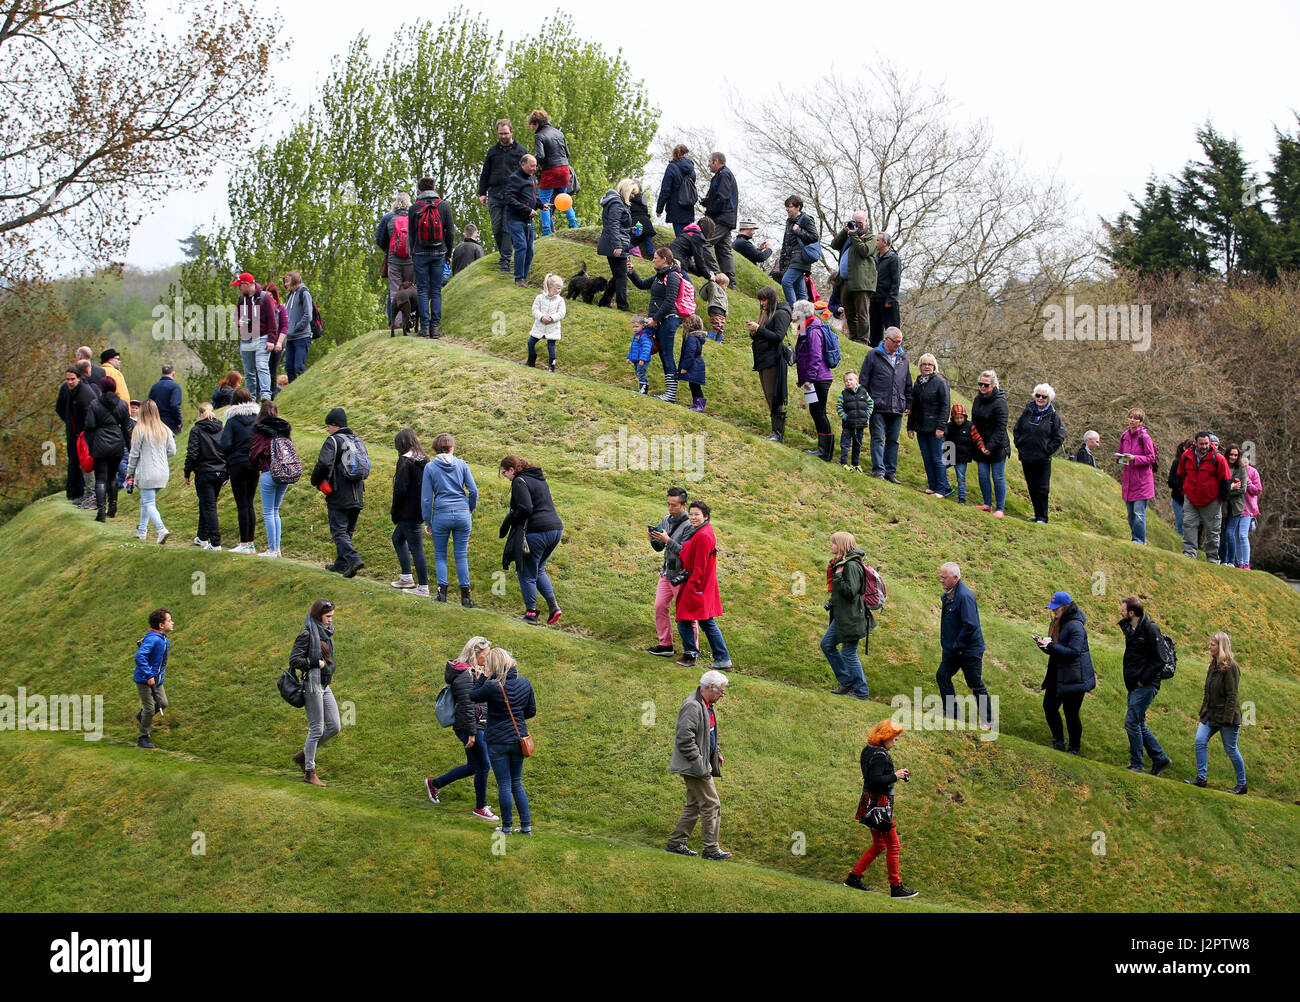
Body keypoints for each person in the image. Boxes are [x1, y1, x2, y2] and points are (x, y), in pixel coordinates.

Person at [843, 719, 918, 898]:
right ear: (885, 737)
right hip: (879, 807)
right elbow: (875, 780)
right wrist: (895, 775)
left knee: (880, 844)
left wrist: (895, 775)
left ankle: (854, 877)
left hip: (870, 803)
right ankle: (896, 887)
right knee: (894, 846)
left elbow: (872, 777)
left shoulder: (869, 750)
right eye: (894, 737)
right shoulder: (880, 755)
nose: (896, 741)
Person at [426, 636, 499, 820]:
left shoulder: (473, 671)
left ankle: (435, 784)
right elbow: (467, 706)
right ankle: (480, 807)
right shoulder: (465, 675)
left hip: (474, 724)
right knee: (483, 765)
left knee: (474, 766)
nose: (488, 657)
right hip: (469, 727)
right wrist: (472, 734)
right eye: (485, 654)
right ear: (475, 654)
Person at [469, 648, 537, 835]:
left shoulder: (492, 686)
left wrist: (484, 677)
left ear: (494, 666)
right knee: (517, 782)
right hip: (518, 738)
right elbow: (531, 711)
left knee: (505, 784)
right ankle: (526, 826)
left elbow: (473, 696)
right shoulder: (525, 683)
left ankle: (506, 827)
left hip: (497, 741)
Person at [666, 669, 731, 860]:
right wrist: (697, 761)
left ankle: (676, 843)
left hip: (699, 763)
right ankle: (711, 849)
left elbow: (708, 732)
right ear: (711, 687)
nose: (722, 695)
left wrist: (715, 752)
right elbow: (685, 738)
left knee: (694, 805)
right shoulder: (693, 706)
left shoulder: (706, 704)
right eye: (721, 691)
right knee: (712, 804)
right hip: (695, 766)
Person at [499, 455, 563, 625]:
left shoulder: (519, 481)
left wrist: (510, 518)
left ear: (512, 469)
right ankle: (554, 608)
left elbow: (526, 508)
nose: (505, 476)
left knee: (526, 574)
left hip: (537, 532)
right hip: (555, 529)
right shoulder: (538, 478)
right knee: (539, 570)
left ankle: (531, 615)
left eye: (505, 472)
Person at [1033, 592, 1096, 754]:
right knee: (1049, 707)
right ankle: (1058, 741)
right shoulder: (1056, 622)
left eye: (1056, 609)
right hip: (1057, 673)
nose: (1053, 612)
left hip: (1074, 676)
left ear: (1065, 607)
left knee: (1071, 714)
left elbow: (1074, 652)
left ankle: (1074, 748)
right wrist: (1045, 646)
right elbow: (1056, 649)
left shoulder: (1075, 626)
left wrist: (1052, 647)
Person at [289, 599, 341, 787]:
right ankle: (309, 772)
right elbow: (294, 659)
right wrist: (314, 663)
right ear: (318, 615)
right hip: (312, 684)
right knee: (316, 729)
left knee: (335, 725)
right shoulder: (307, 633)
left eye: (332, 617)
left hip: (324, 684)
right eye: (328, 617)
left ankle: (304, 754)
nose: (330, 620)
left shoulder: (325, 632)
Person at [421, 432, 478, 606]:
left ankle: (442, 594)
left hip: (441, 513)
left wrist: (427, 521)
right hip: (462, 512)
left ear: (436, 448)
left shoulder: (430, 467)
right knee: (461, 555)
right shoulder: (462, 464)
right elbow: (474, 491)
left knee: (440, 555)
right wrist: (470, 508)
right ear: (452, 447)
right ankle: (466, 597)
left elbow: (426, 498)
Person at [1187, 632, 1248, 794]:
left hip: (1227, 717)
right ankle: (1201, 778)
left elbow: (1232, 695)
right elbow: (1207, 691)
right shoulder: (1213, 664)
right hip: (1210, 714)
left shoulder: (1231, 667)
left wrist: (1227, 721)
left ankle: (1242, 784)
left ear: (1221, 646)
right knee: (1200, 741)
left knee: (1230, 749)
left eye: (1212, 644)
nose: (1209, 647)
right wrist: (1203, 712)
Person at [310, 407, 367, 577]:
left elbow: (323, 464)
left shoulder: (333, 441)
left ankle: (353, 559)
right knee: (347, 531)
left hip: (340, 493)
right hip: (358, 492)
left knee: (339, 531)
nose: (327, 429)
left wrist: (315, 481)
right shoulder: (356, 440)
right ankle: (342, 565)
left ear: (336, 425)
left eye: (328, 425)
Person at [674, 501, 732, 670]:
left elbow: (699, 567)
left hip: (698, 585)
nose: (693, 517)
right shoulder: (702, 531)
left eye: (697, 514)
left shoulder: (703, 535)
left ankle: (691, 654)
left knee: (685, 619)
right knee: (706, 622)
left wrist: (693, 589)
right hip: (701, 585)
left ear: (705, 516)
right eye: (691, 514)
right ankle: (722, 659)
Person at [1118, 596, 1172, 775]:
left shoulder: (1150, 628)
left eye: (1123, 609)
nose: (1121, 611)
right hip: (1134, 683)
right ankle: (1159, 758)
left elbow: (1161, 659)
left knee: (1131, 722)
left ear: (1132, 613)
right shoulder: (1131, 628)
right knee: (1139, 723)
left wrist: (1143, 679)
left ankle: (1137, 764)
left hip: (1146, 684)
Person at [646, 487, 700, 658]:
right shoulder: (666, 520)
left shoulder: (690, 526)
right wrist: (654, 539)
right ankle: (665, 645)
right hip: (667, 571)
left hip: (682, 574)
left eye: (674, 505)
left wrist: (668, 540)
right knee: (660, 606)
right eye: (668, 504)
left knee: (687, 614)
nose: (670, 508)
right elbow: (660, 548)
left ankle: (692, 650)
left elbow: (685, 552)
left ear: (683, 505)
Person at [937, 562, 993, 727]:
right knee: (942, 675)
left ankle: (988, 721)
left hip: (969, 651)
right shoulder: (950, 594)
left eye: (944, 577)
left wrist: (957, 645)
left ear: (955, 578)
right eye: (941, 577)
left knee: (975, 684)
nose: (941, 580)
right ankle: (952, 714)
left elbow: (970, 624)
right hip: (954, 649)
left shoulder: (964, 596)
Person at [629, 248, 685, 403]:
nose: (653, 260)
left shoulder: (673, 276)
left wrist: (655, 319)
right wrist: (632, 272)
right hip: (659, 320)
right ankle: (666, 392)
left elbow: (670, 301)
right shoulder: (659, 276)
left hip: (668, 319)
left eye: (655, 258)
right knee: (662, 354)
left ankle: (671, 394)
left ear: (665, 259)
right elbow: (641, 284)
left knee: (667, 354)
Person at [822, 531, 872, 700]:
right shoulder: (843, 564)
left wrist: (837, 578)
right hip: (844, 616)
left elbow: (851, 592)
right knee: (828, 645)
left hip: (851, 617)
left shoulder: (851, 565)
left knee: (848, 653)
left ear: (842, 545)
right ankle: (847, 681)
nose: (830, 545)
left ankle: (861, 691)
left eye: (833, 543)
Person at [859, 327, 911, 482]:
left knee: (893, 441)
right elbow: (864, 380)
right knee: (878, 439)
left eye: (900, 341)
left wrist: (909, 404)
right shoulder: (873, 355)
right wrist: (864, 401)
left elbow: (907, 382)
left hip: (897, 406)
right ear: (886, 339)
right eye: (895, 341)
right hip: (878, 405)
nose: (898, 344)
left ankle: (891, 472)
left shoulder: (903, 358)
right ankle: (878, 470)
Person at [478, 118, 529, 275]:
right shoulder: (492, 151)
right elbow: (485, 172)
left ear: (511, 132)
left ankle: (505, 259)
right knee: (496, 227)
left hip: (513, 195)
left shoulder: (521, 151)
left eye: (505, 133)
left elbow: (527, 174)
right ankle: (504, 253)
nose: (503, 136)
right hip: (494, 193)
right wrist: (482, 192)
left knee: (507, 228)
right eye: (500, 134)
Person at [407, 177, 456, 338]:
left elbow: (412, 235)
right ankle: (435, 328)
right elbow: (450, 232)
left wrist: (413, 253)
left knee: (422, 290)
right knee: (436, 290)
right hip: (439, 253)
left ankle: (425, 328)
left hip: (420, 254)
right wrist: (447, 253)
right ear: (434, 188)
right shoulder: (443, 206)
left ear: (419, 190)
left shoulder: (414, 208)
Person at [1012, 382, 1066, 524]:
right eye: (1038, 395)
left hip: (1042, 459)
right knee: (1031, 486)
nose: (1040, 398)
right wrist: (1020, 444)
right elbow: (1017, 429)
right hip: (1027, 456)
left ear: (1049, 399)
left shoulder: (1054, 416)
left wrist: (1047, 450)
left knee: (1042, 488)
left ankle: (1043, 517)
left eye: (1044, 396)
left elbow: (1059, 436)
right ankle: (1037, 515)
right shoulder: (1028, 411)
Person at [247, 399, 293, 558]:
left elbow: (254, 454)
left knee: (268, 513)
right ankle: (277, 549)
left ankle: (272, 549)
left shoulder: (260, 430)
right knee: (275, 511)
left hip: (268, 471)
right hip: (285, 473)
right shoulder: (284, 429)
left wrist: (256, 463)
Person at [125, 399, 176, 544]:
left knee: (148, 502)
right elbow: (172, 451)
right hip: (162, 472)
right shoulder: (165, 429)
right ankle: (142, 530)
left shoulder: (139, 429)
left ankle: (161, 529)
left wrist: (130, 472)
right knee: (146, 501)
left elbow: (134, 454)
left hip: (147, 472)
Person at [1176, 432, 1231, 562]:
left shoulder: (1218, 458)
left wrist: (1220, 499)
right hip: (1191, 498)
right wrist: (1185, 492)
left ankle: (1212, 559)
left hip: (1211, 501)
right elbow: (1180, 475)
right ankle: (1189, 555)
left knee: (1212, 531)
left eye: (1207, 443)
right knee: (1188, 525)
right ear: (1195, 444)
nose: (1205, 446)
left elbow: (1226, 480)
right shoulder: (1186, 456)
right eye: (1202, 444)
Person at [84, 374, 131, 522]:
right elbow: (127, 428)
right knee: (112, 477)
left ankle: (101, 512)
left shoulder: (95, 404)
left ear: (101, 389)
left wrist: (92, 446)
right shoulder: (123, 405)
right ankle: (113, 507)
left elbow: (89, 427)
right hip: (117, 443)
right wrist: (129, 446)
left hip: (100, 443)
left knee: (100, 479)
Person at [747, 286, 792, 442]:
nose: (762, 303)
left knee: (774, 397)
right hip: (763, 359)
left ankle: (778, 433)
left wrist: (759, 329)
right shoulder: (768, 313)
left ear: (772, 298)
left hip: (773, 360)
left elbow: (778, 337)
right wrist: (754, 332)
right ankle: (775, 432)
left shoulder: (781, 313)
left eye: (764, 299)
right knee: (769, 397)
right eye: (761, 300)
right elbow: (764, 336)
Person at [389, 428, 430, 596]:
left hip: (407, 511)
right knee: (397, 538)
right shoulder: (424, 460)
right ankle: (406, 576)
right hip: (419, 509)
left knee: (416, 548)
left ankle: (423, 586)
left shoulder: (404, 462)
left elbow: (400, 489)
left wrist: (395, 511)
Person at [793, 300, 835, 461]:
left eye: (795, 311)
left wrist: (809, 378)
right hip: (815, 377)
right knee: (816, 412)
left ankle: (825, 451)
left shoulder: (814, 330)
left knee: (819, 412)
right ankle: (823, 449)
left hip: (819, 378)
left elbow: (815, 356)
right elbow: (802, 352)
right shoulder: (806, 326)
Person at [219, 388, 260, 554]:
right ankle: (251, 542)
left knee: (242, 504)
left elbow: (225, 444)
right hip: (254, 464)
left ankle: (244, 543)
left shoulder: (232, 421)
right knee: (250, 503)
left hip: (237, 464)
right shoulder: (258, 420)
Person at [829, 212, 877, 344]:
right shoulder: (849, 236)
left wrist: (854, 235)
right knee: (849, 311)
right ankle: (853, 337)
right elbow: (834, 244)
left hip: (861, 282)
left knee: (862, 312)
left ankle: (862, 339)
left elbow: (865, 251)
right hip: (845, 280)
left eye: (860, 222)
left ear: (866, 222)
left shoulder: (870, 237)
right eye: (854, 221)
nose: (857, 225)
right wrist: (845, 232)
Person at [183, 401, 225, 549]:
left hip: (205, 471)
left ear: (200, 414)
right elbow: (225, 449)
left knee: (209, 506)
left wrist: (187, 472)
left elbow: (192, 453)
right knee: (206, 503)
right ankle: (202, 537)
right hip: (220, 471)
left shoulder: (197, 430)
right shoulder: (221, 428)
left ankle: (215, 542)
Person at [907, 354, 951, 497]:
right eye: (924, 364)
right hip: (921, 427)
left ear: (934, 367)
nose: (927, 367)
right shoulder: (918, 382)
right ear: (920, 366)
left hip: (935, 428)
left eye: (930, 364)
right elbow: (914, 405)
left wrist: (941, 427)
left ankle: (941, 489)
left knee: (937, 458)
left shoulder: (940, 382)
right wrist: (910, 426)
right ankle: (932, 486)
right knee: (926, 457)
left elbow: (945, 406)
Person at [528, 108, 577, 235]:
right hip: (564, 168)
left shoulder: (539, 135)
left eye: (532, 125)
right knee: (564, 197)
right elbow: (568, 153)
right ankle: (573, 222)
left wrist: (534, 164)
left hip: (550, 170)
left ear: (536, 123)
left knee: (544, 200)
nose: (532, 128)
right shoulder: (559, 133)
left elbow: (541, 155)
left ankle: (546, 230)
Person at [970, 370, 1010, 517]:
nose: (982, 387)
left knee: (998, 476)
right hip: (980, 444)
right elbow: (974, 423)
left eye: (985, 385)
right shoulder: (977, 399)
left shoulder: (1000, 403)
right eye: (980, 384)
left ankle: (1000, 508)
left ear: (993, 385)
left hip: (998, 447)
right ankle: (987, 504)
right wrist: (978, 443)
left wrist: (990, 447)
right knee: (982, 475)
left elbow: (1001, 429)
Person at [134, 607, 173, 750]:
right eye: (169, 621)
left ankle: (142, 717)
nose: (172, 623)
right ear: (161, 625)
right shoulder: (154, 639)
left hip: (157, 680)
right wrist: (149, 675)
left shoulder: (162, 639)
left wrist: (157, 677)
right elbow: (140, 656)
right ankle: (143, 737)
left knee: (162, 702)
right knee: (150, 708)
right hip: (144, 680)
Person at [55, 365, 95, 503]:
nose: (70, 382)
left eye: (72, 379)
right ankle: (73, 492)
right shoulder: (65, 390)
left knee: (85, 462)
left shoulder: (86, 394)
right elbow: (59, 408)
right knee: (73, 461)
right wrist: (68, 421)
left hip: (84, 433)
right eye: (67, 379)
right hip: (72, 432)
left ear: (79, 378)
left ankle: (87, 492)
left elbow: (91, 416)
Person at [1116, 409, 1157, 543]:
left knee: (1139, 514)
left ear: (1141, 422)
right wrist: (1120, 458)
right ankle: (1135, 538)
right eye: (1130, 417)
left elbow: (1151, 458)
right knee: (1131, 514)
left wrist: (1135, 458)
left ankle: (1139, 541)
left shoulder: (1144, 437)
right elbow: (1120, 452)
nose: (1132, 420)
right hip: (1128, 480)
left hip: (1142, 482)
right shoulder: (1124, 436)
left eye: (1136, 418)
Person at [232, 272, 275, 400]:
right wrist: (238, 321)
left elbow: (272, 320)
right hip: (246, 338)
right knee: (249, 372)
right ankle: (251, 399)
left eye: (240, 285)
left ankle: (266, 395)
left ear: (246, 284)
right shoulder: (241, 300)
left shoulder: (264, 298)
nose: (239, 288)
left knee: (262, 366)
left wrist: (271, 339)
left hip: (262, 337)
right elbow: (236, 316)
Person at [699, 152, 737, 285]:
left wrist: (711, 209)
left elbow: (723, 197)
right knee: (724, 250)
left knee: (704, 242)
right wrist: (707, 201)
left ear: (716, 161)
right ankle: (731, 283)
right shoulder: (721, 175)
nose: (708, 165)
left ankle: (718, 276)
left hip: (721, 218)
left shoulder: (724, 174)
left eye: (709, 161)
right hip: (727, 218)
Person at [596, 179, 635, 310]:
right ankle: (623, 306)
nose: (633, 196)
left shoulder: (619, 203)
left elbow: (619, 226)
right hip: (616, 244)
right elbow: (613, 225)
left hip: (617, 241)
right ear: (627, 191)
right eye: (632, 193)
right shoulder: (617, 203)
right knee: (622, 276)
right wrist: (617, 245)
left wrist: (631, 230)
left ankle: (604, 301)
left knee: (618, 275)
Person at [503, 154, 539, 287]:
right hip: (515, 220)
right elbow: (510, 199)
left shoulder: (531, 178)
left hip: (528, 220)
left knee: (530, 249)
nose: (534, 168)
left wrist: (541, 205)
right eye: (531, 166)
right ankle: (518, 279)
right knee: (521, 246)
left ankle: (523, 277)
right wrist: (527, 210)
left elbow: (532, 198)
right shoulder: (514, 179)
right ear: (523, 165)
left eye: (535, 165)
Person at [377, 193, 415, 318]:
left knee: (394, 292)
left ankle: (395, 322)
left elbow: (380, 239)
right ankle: (407, 320)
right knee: (409, 291)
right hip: (410, 260)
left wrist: (389, 250)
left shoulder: (388, 218)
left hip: (393, 260)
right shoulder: (413, 217)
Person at [778, 195, 819, 304]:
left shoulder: (806, 219)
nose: (787, 209)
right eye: (786, 206)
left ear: (798, 207)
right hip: (791, 259)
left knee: (786, 282)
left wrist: (798, 230)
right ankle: (804, 318)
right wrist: (782, 262)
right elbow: (785, 242)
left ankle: (792, 311)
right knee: (800, 290)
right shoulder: (789, 221)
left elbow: (814, 237)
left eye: (790, 206)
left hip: (801, 258)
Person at [527, 273, 566, 372]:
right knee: (530, 342)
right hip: (539, 326)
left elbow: (561, 313)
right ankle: (531, 361)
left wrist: (552, 318)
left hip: (552, 328)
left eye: (560, 288)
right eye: (557, 288)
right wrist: (541, 317)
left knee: (551, 346)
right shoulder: (539, 298)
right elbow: (534, 310)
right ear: (550, 287)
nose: (559, 291)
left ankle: (551, 367)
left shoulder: (560, 301)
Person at [656, 144, 697, 236]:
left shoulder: (671, 167)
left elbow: (665, 190)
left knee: (680, 238)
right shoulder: (691, 169)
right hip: (688, 206)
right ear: (687, 153)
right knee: (687, 237)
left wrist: (659, 209)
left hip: (675, 207)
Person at [869, 233, 901, 348]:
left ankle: (896, 354)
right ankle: (874, 352)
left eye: (877, 240)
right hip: (875, 299)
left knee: (892, 330)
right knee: (874, 330)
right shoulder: (875, 258)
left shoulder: (893, 258)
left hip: (887, 300)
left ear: (885, 243)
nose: (875, 242)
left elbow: (896, 280)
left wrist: (891, 299)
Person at [835, 370, 873, 471]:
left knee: (857, 445)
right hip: (848, 425)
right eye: (846, 381)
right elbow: (839, 406)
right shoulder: (844, 394)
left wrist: (867, 414)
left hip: (860, 425)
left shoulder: (864, 392)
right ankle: (844, 463)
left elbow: (870, 403)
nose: (848, 382)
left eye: (851, 380)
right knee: (845, 444)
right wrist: (845, 416)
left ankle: (855, 464)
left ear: (857, 381)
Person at [1221, 445, 1250, 567]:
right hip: (1222, 506)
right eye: (1231, 454)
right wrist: (1230, 487)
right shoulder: (1222, 467)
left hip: (1236, 507)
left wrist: (1227, 490)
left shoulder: (1241, 470)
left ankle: (1231, 561)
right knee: (1222, 534)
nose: (1233, 457)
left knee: (1229, 533)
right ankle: (1223, 559)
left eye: (1235, 455)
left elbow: (1242, 489)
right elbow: (1219, 487)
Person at [282, 271, 314, 382]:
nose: (286, 284)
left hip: (302, 337)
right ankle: (292, 391)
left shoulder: (304, 293)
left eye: (288, 281)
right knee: (289, 368)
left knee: (299, 366)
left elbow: (308, 315)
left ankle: (307, 386)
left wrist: (295, 328)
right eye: (285, 282)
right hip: (290, 338)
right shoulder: (289, 296)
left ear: (294, 280)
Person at [1234, 451, 1262, 569]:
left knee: (1242, 535)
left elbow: (1257, 490)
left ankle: (1245, 562)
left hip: (1248, 509)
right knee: (1235, 535)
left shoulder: (1253, 472)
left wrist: (1248, 483)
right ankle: (1239, 562)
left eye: (1247, 459)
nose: (1244, 461)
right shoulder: (1236, 470)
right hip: (1236, 508)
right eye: (1242, 459)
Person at [677, 313, 709, 412]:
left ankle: (699, 406)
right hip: (697, 364)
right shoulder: (697, 337)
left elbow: (690, 354)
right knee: (694, 385)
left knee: (695, 386)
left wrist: (685, 367)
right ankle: (697, 405)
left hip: (694, 365)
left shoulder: (691, 338)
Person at [943, 403, 974, 503]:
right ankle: (947, 488)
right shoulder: (949, 426)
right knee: (940, 468)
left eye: (961, 417)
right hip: (950, 453)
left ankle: (962, 498)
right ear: (953, 418)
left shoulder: (970, 426)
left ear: (964, 417)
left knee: (961, 478)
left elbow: (975, 440)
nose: (959, 420)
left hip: (962, 456)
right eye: (957, 418)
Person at [264, 282, 288, 395]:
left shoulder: (281, 309)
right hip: (264, 342)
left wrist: (279, 342)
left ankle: (272, 394)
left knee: (272, 370)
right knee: (262, 370)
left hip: (276, 344)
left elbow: (284, 326)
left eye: (271, 295)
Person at [1167, 437, 1193, 537]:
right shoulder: (1177, 462)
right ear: (1184, 448)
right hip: (1178, 499)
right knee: (1181, 526)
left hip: (1192, 500)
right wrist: (1181, 486)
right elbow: (1171, 481)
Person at [147, 364, 184, 433]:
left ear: (161, 374)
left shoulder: (154, 387)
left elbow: (148, 405)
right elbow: (175, 405)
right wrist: (179, 421)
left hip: (155, 422)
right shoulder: (175, 387)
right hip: (169, 423)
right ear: (173, 373)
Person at [627, 314, 654, 394]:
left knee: (641, 373)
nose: (634, 329)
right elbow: (633, 348)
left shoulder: (644, 336)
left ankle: (644, 389)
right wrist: (629, 357)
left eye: (636, 326)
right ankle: (641, 388)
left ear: (642, 326)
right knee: (638, 373)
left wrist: (643, 359)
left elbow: (646, 348)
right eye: (633, 327)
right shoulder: (636, 335)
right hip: (636, 359)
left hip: (642, 359)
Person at [698, 272, 729, 341]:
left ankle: (718, 341)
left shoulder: (723, 293)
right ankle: (710, 339)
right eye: (725, 285)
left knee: (722, 327)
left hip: (722, 312)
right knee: (717, 325)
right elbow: (711, 284)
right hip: (716, 309)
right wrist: (712, 277)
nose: (726, 287)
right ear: (719, 284)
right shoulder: (714, 287)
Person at [628, 181, 656, 259]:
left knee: (625, 240)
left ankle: (635, 251)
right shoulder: (643, 197)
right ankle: (657, 256)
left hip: (635, 223)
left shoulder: (629, 198)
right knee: (649, 246)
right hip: (647, 224)